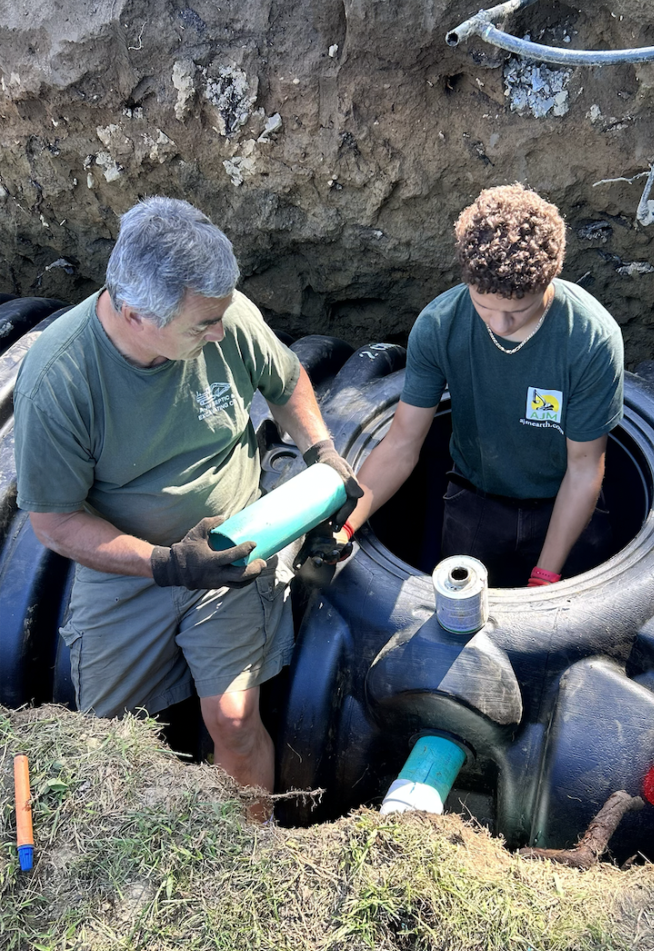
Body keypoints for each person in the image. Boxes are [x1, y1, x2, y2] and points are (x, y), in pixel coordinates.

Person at [13, 197, 362, 813]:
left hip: (233, 547)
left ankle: (252, 861)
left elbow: (286, 382)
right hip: (126, 567)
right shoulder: (59, 378)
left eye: (221, 317)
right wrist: (166, 564)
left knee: (231, 720)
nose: (220, 333)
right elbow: (54, 523)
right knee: (109, 741)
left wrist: (323, 452)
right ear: (135, 313)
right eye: (202, 325)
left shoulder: (225, 315)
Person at [319, 184, 623, 588]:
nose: (499, 325)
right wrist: (345, 527)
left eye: (519, 311)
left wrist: (546, 575)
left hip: (564, 503)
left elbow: (585, 469)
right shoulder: (439, 325)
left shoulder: (590, 338)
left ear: (551, 278)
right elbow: (402, 444)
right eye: (484, 307)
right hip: (474, 503)